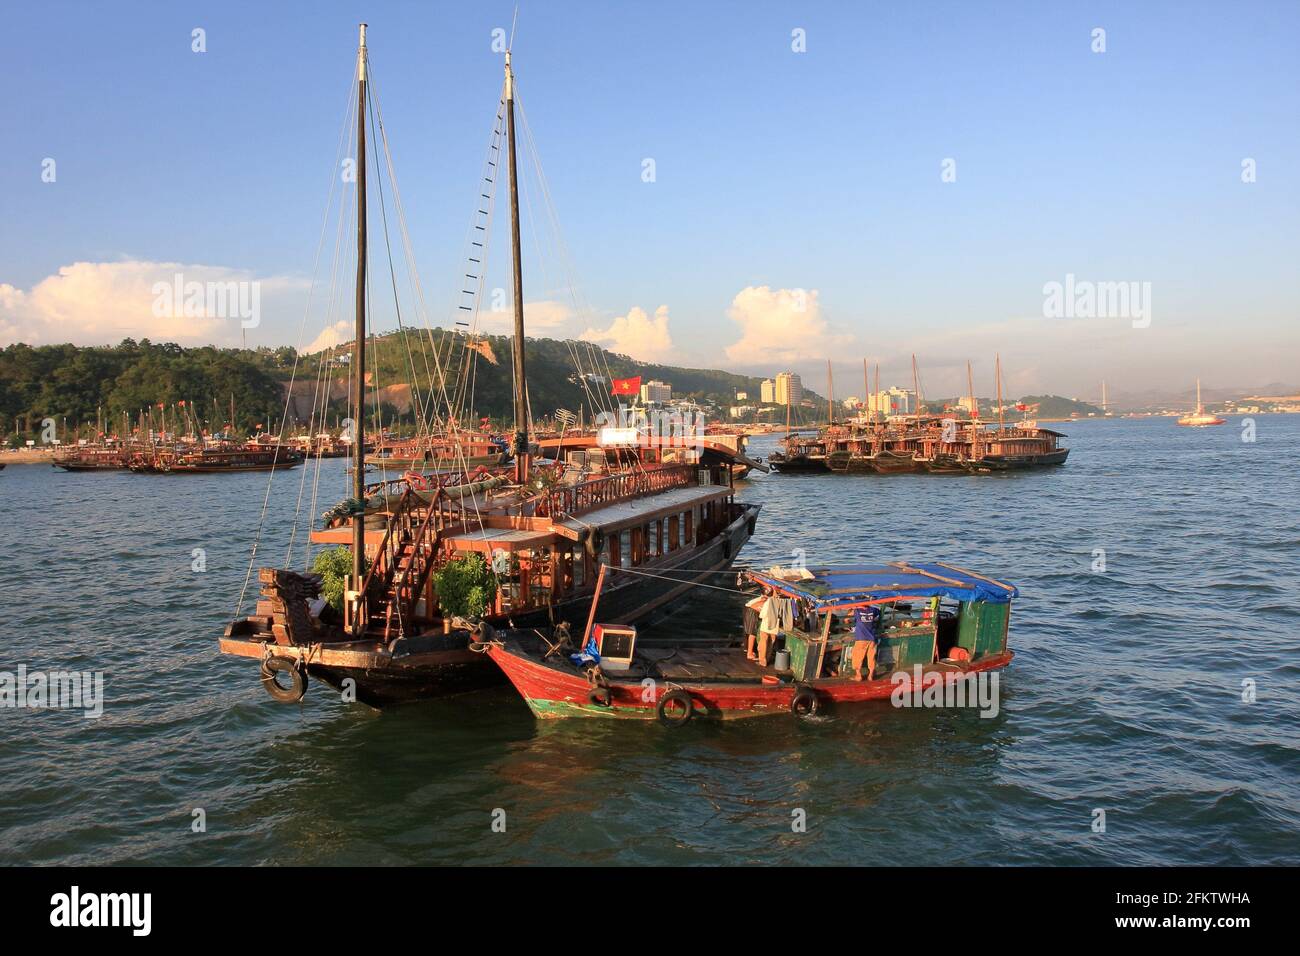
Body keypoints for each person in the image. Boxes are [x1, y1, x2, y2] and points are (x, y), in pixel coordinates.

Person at [850, 605, 880, 681]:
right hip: (872, 638)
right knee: (871, 657)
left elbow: (849, 614)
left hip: (861, 638)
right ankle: (870, 676)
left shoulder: (857, 611)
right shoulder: (873, 609)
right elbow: (879, 612)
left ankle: (858, 676)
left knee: (857, 657)